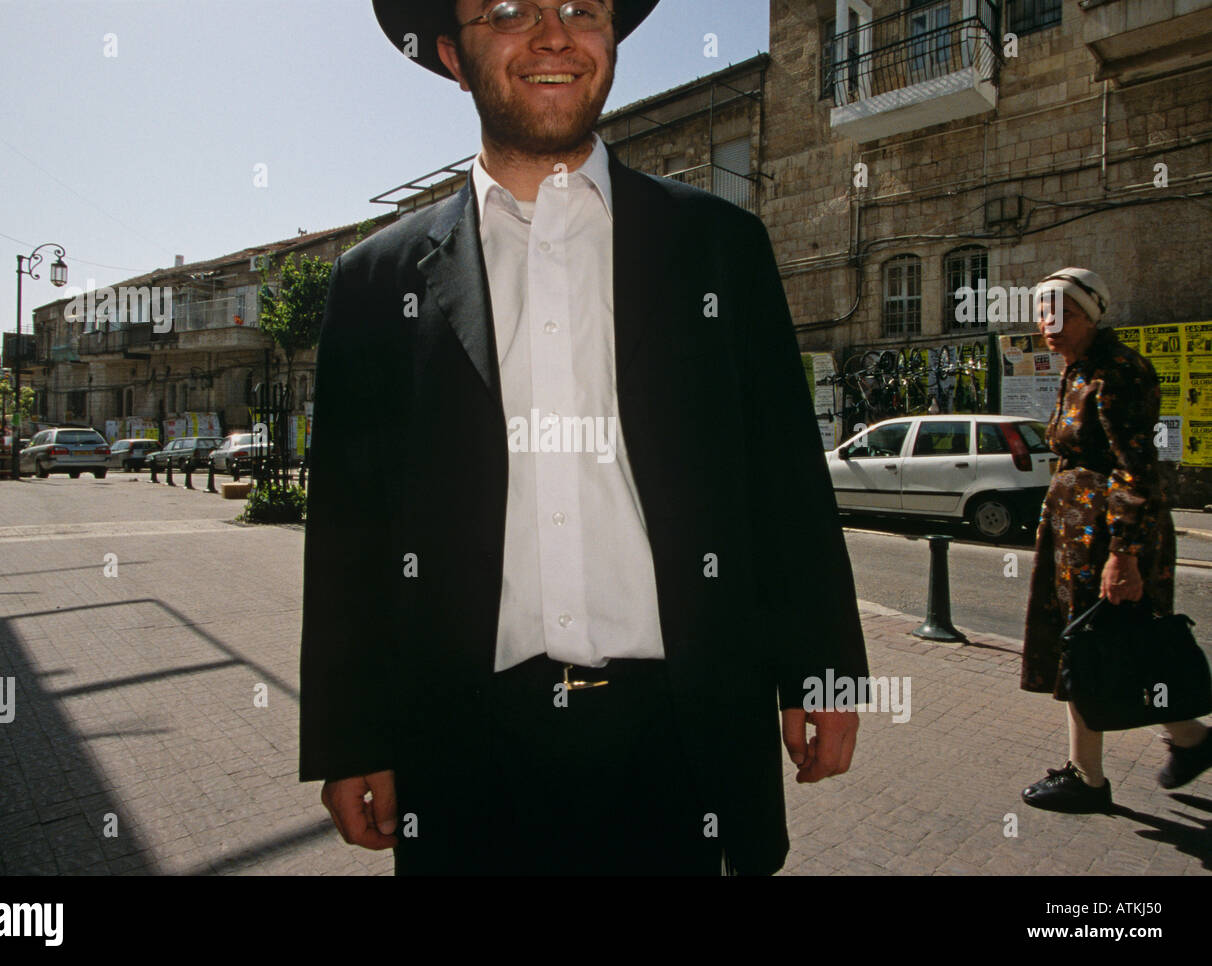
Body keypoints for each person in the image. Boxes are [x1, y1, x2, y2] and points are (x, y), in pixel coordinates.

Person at [299, 0, 869, 874]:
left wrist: (821, 667)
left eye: (581, 7)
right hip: (463, 746)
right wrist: (350, 732)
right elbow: (349, 528)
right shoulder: (376, 281)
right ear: (453, 54)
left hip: (681, 736)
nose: (554, 35)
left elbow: (785, 478)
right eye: (510, 10)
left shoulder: (720, 245)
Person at [1020, 267, 1212, 813]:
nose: (1050, 324)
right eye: (1043, 313)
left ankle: (1090, 777)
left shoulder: (1119, 371)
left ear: (1090, 315)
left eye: (1064, 313)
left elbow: (1136, 468)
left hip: (1107, 539)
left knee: (1095, 647)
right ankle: (1189, 740)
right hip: (1078, 538)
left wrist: (1122, 554)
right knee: (1106, 645)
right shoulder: (1078, 368)